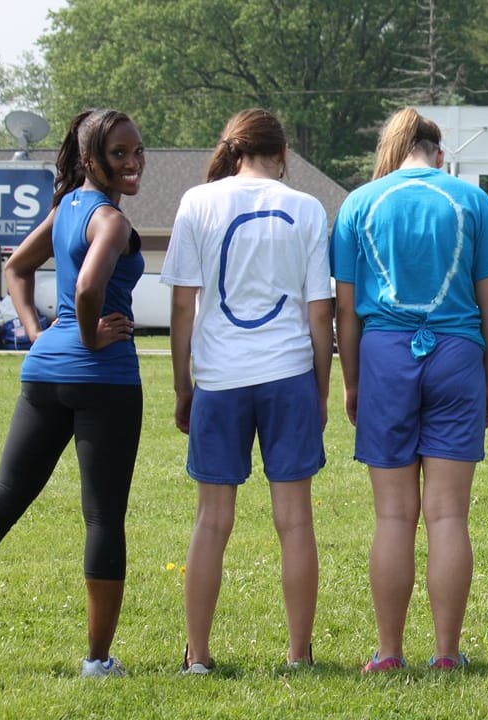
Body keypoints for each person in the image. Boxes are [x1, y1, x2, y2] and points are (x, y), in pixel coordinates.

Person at [0, 109, 145, 677]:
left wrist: (40, 333)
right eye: (119, 153)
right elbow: (91, 285)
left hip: (44, 375)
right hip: (104, 379)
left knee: (3, 498)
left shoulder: (66, 206)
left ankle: (98, 657)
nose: (133, 161)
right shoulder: (109, 220)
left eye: (137, 150)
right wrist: (89, 334)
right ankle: (97, 660)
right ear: (91, 159)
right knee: (103, 518)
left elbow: (16, 267)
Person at [332, 107, 488, 672]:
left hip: (384, 353)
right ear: (438, 153)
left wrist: (352, 382)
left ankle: (388, 653)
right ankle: (447, 653)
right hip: (457, 354)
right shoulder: (472, 201)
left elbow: (344, 310)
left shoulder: (361, 202)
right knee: (448, 517)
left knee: (392, 518)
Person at [161, 109, 332, 674]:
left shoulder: (197, 202)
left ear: (234, 151)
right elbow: (319, 312)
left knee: (212, 521)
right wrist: (321, 389)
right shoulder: (306, 208)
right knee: (296, 522)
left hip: (219, 379)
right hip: (288, 375)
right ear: (282, 154)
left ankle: (199, 656)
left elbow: (183, 307)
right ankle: (298, 653)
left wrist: (184, 384)